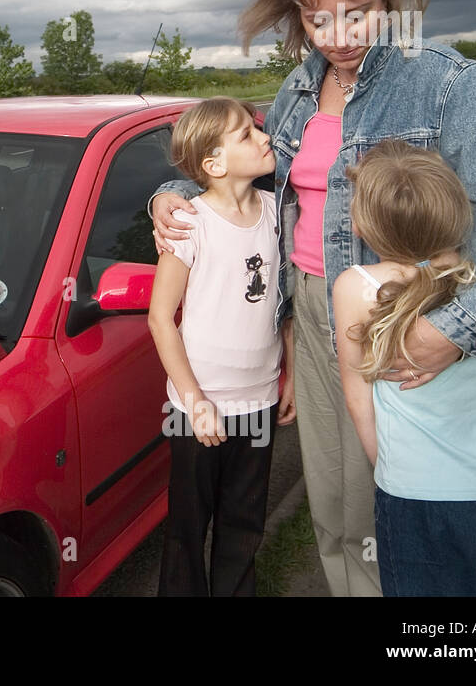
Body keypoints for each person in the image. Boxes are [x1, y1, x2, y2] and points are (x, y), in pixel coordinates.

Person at [147, 0, 476, 597]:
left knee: (384, 502)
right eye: (319, 17)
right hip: (309, 308)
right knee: (330, 504)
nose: (339, 33)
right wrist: (175, 192)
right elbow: (259, 180)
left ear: (387, 0)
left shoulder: (445, 82)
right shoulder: (298, 91)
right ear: (298, 15)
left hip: (389, 313)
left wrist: (460, 327)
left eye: (355, 12)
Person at [333, 140, 476, 596]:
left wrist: (389, 471)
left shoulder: (356, 286)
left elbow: (358, 396)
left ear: (363, 226)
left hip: (419, 498)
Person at [149, 97, 296, 596]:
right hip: (198, 407)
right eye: (247, 136)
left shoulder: (277, 212)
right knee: (188, 529)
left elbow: (283, 302)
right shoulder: (190, 223)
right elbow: (160, 318)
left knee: (243, 525)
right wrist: (195, 404)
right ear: (213, 164)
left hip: (258, 401)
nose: (264, 138)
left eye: (258, 130)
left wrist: (289, 374)